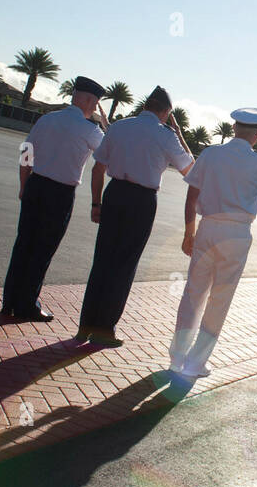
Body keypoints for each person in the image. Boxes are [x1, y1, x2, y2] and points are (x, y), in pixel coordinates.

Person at [168, 108, 257, 379]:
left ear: (234, 128)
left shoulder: (212, 154)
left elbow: (192, 196)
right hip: (236, 234)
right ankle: (195, 363)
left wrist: (189, 233)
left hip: (207, 227)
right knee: (220, 300)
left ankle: (177, 358)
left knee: (193, 294)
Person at [77, 86, 193, 347]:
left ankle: (85, 326)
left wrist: (96, 203)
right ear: (166, 112)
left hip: (114, 193)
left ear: (145, 106)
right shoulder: (166, 135)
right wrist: (180, 136)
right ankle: (104, 329)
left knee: (103, 260)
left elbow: (98, 169)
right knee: (124, 264)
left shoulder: (119, 127)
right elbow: (191, 172)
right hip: (141, 200)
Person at [2, 76, 108, 322]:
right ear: (89, 100)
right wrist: (105, 126)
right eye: (95, 104)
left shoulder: (47, 119)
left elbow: (26, 151)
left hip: (35, 185)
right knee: (43, 249)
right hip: (60, 193)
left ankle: (9, 302)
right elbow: (109, 154)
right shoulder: (90, 130)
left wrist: (23, 185)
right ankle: (27, 304)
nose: (94, 109)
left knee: (23, 244)